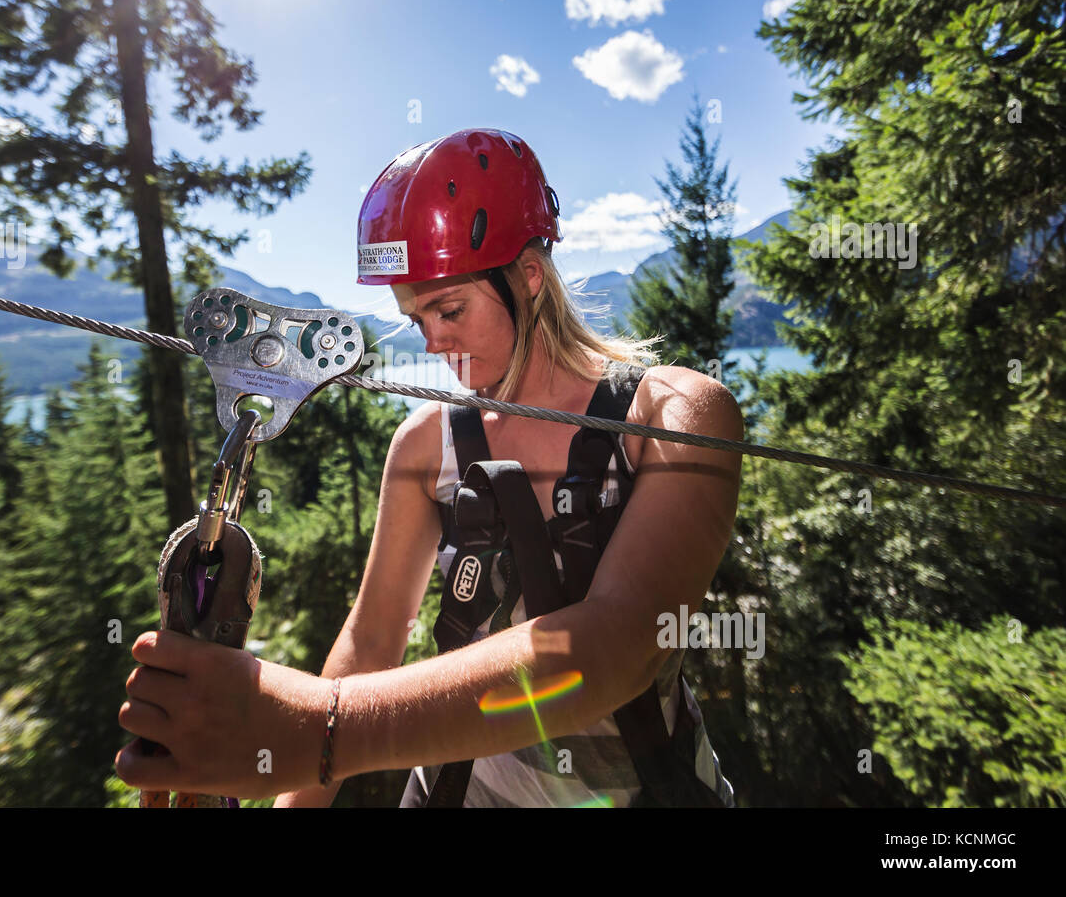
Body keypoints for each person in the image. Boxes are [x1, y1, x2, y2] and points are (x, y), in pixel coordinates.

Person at [115, 128, 742, 808]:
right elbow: (373, 637)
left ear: (529, 277)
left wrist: (320, 728)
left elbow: (619, 647)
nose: (434, 342)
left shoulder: (676, 415)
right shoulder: (425, 444)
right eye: (416, 319)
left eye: (450, 309)